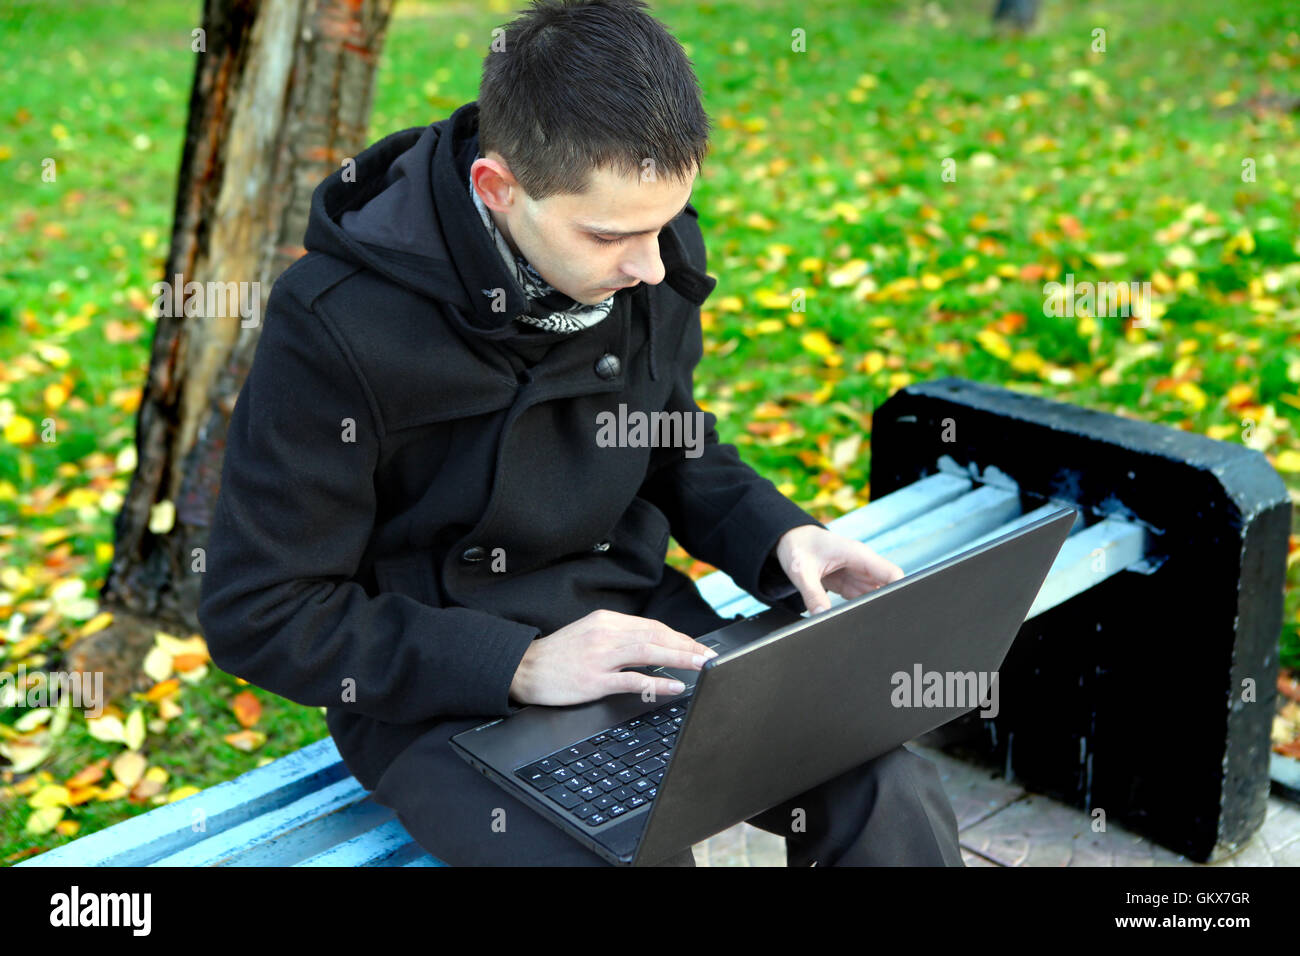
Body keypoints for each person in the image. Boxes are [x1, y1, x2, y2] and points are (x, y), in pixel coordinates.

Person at [198, 0, 964, 867]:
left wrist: (780, 535)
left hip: (644, 629)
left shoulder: (651, 252)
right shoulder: (337, 322)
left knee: (883, 792)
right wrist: (516, 667)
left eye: (664, 224)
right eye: (610, 235)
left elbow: (670, 439)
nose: (650, 267)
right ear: (498, 189)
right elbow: (261, 611)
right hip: (444, 695)